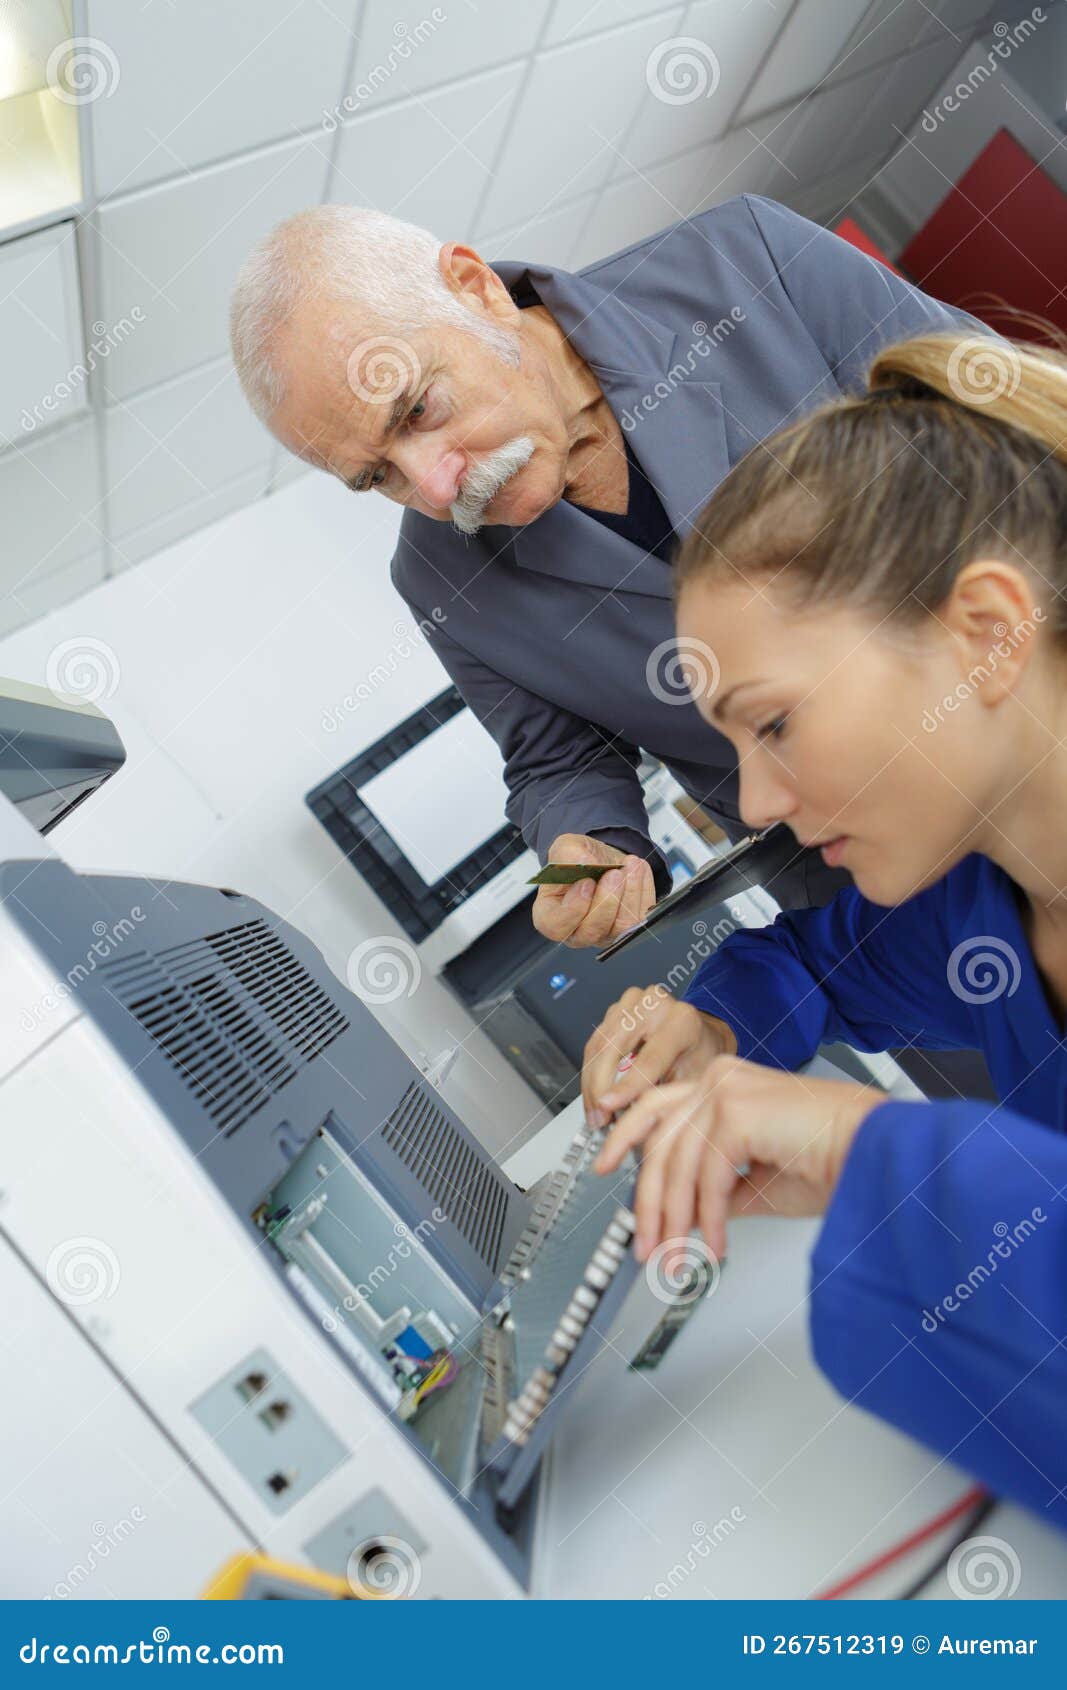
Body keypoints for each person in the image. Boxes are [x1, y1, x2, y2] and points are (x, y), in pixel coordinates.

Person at [581, 331, 1067, 1527]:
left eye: (774, 723)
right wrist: (710, 1031)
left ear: (986, 634)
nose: (752, 803)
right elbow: (812, 962)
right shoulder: (979, 903)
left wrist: (867, 1153)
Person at [229, 197, 981, 947]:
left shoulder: (744, 262)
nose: (433, 485)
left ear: (476, 290)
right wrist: (591, 843)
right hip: (872, 898)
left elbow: (1007, 424)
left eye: (418, 410)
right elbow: (557, 758)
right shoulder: (436, 579)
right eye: (377, 477)